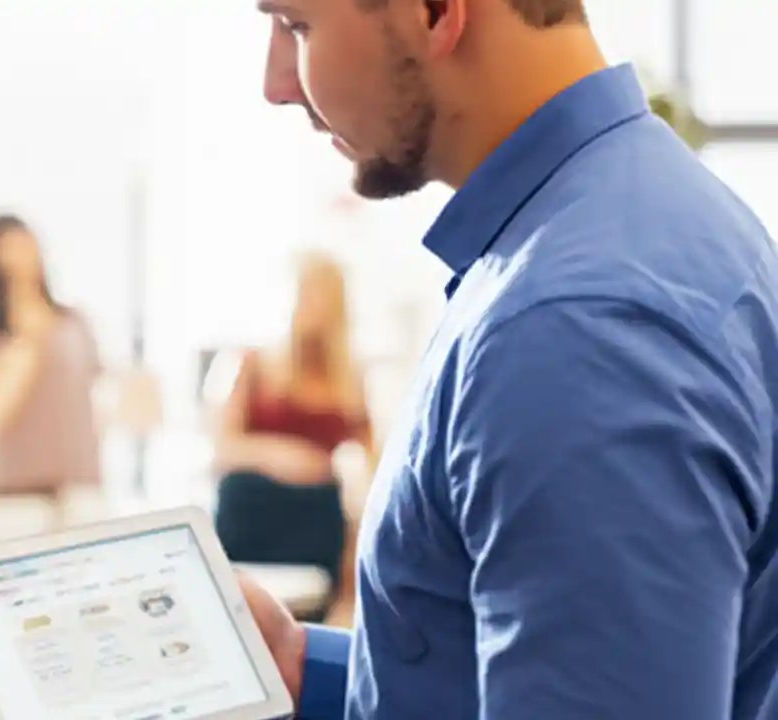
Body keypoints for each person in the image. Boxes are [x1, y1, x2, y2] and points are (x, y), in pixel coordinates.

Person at [239, 1, 778, 718]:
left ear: (435, 12)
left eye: (297, 25)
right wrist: (311, 667)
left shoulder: (575, 329)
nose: (276, 82)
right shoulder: (627, 217)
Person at [214, 252, 373, 618]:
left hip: (316, 521)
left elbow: (373, 461)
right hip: (252, 513)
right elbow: (222, 447)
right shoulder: (252, 362)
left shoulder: (350, 378)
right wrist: (280, 454)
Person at [0, 214, 103, 502]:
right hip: (16, 494)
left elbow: (99, 396)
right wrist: (29, 340)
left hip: (81, 490)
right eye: (9, 249)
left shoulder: (74, 323)